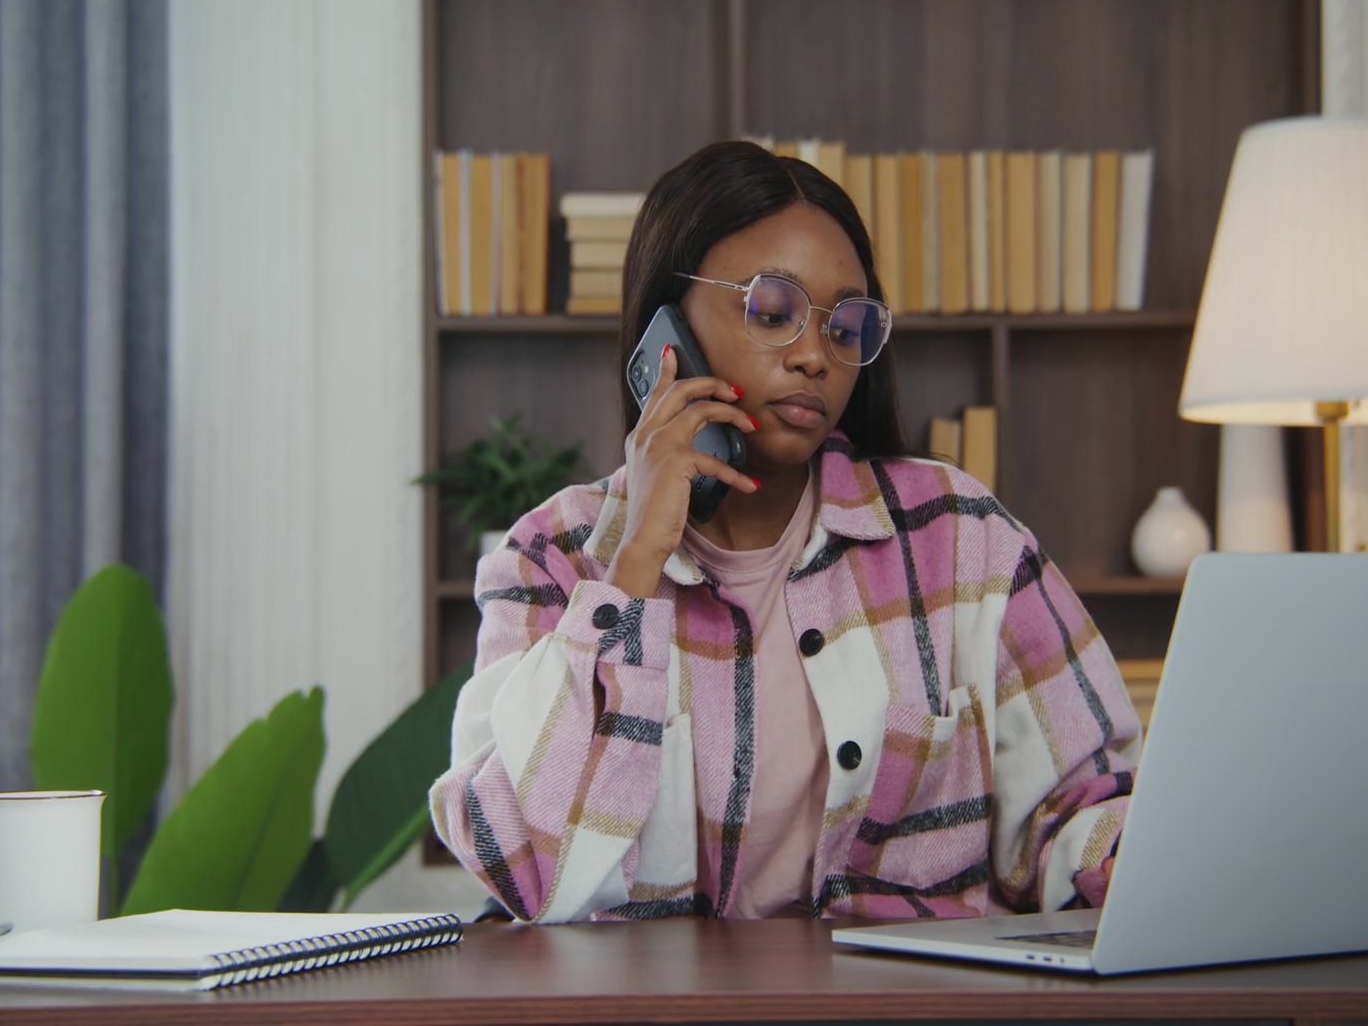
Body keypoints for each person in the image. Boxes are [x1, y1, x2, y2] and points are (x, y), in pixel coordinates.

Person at [430, 140, 1140, 923]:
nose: (813, 357)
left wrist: (1143, 855)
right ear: (667, 329)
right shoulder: (550, 560)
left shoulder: (963, 539)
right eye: (773, 312)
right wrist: (634, 565)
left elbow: (1081, 807)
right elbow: (521, 869)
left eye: (845, 328)